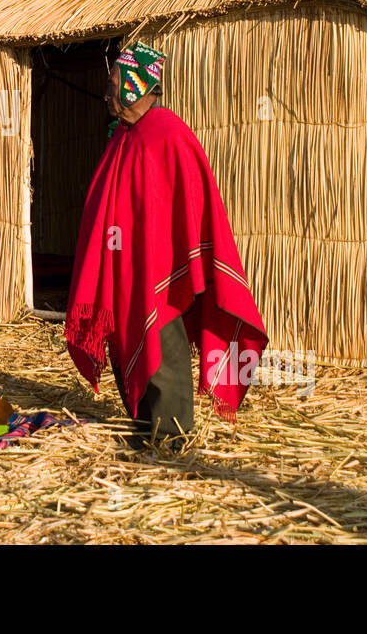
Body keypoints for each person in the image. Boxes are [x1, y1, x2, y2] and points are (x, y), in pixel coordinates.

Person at [65, 41, 268, 438]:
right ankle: (144, 425)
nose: (106, 94)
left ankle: (171, 436)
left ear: (135, 86)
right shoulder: (124, 136)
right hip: (127, 268)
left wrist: (162, 256)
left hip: (162, 274)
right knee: (127, 349)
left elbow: (188, 203)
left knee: (163, 347)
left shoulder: (168, 134)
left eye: (113, 85)